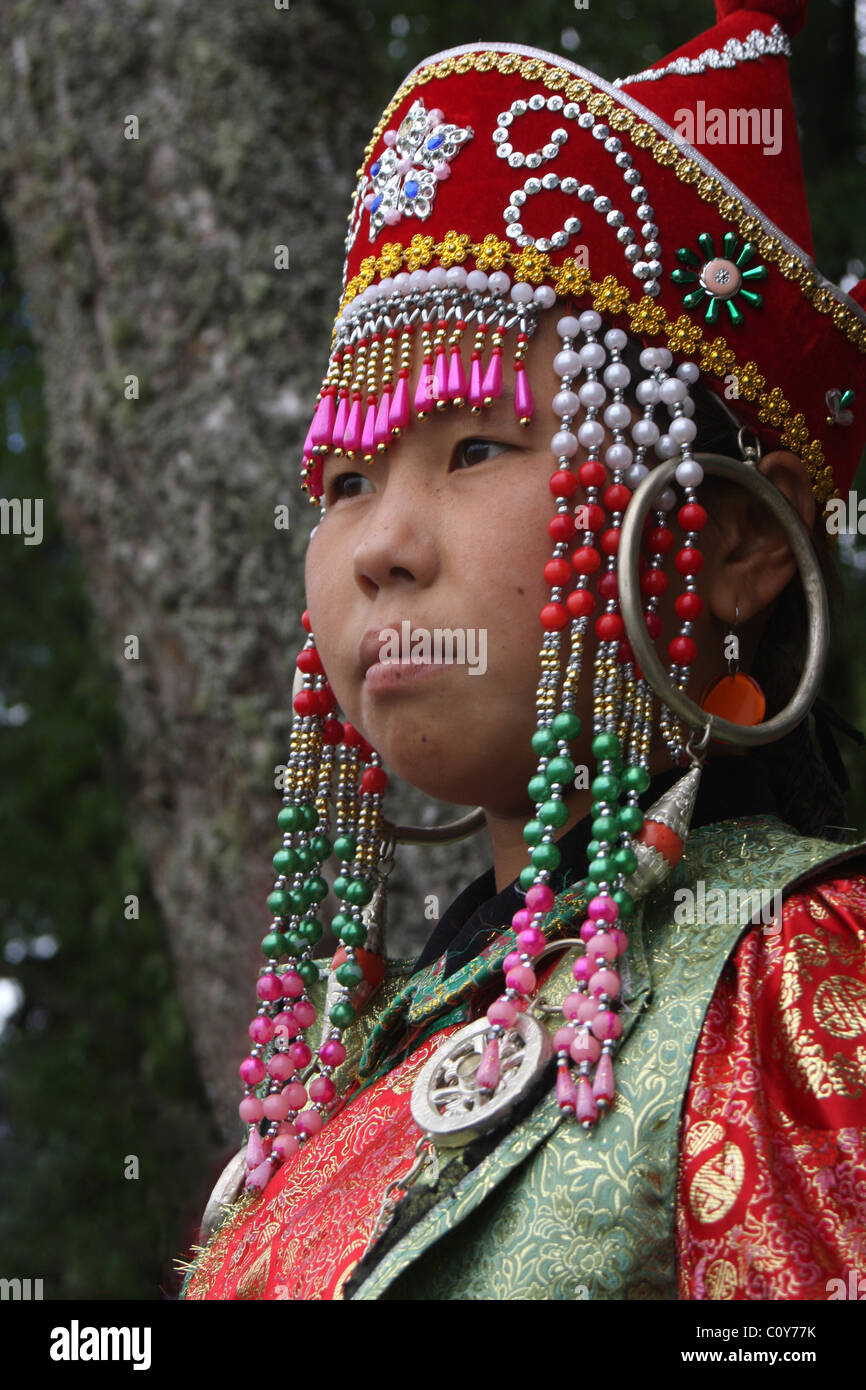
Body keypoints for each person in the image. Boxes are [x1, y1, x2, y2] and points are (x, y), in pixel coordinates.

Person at [177, 0, 866, 1300]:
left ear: (733, 541)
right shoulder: (358, 1073)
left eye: (475, 448)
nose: (377, 543)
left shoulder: (794, 986)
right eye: (340, 481)